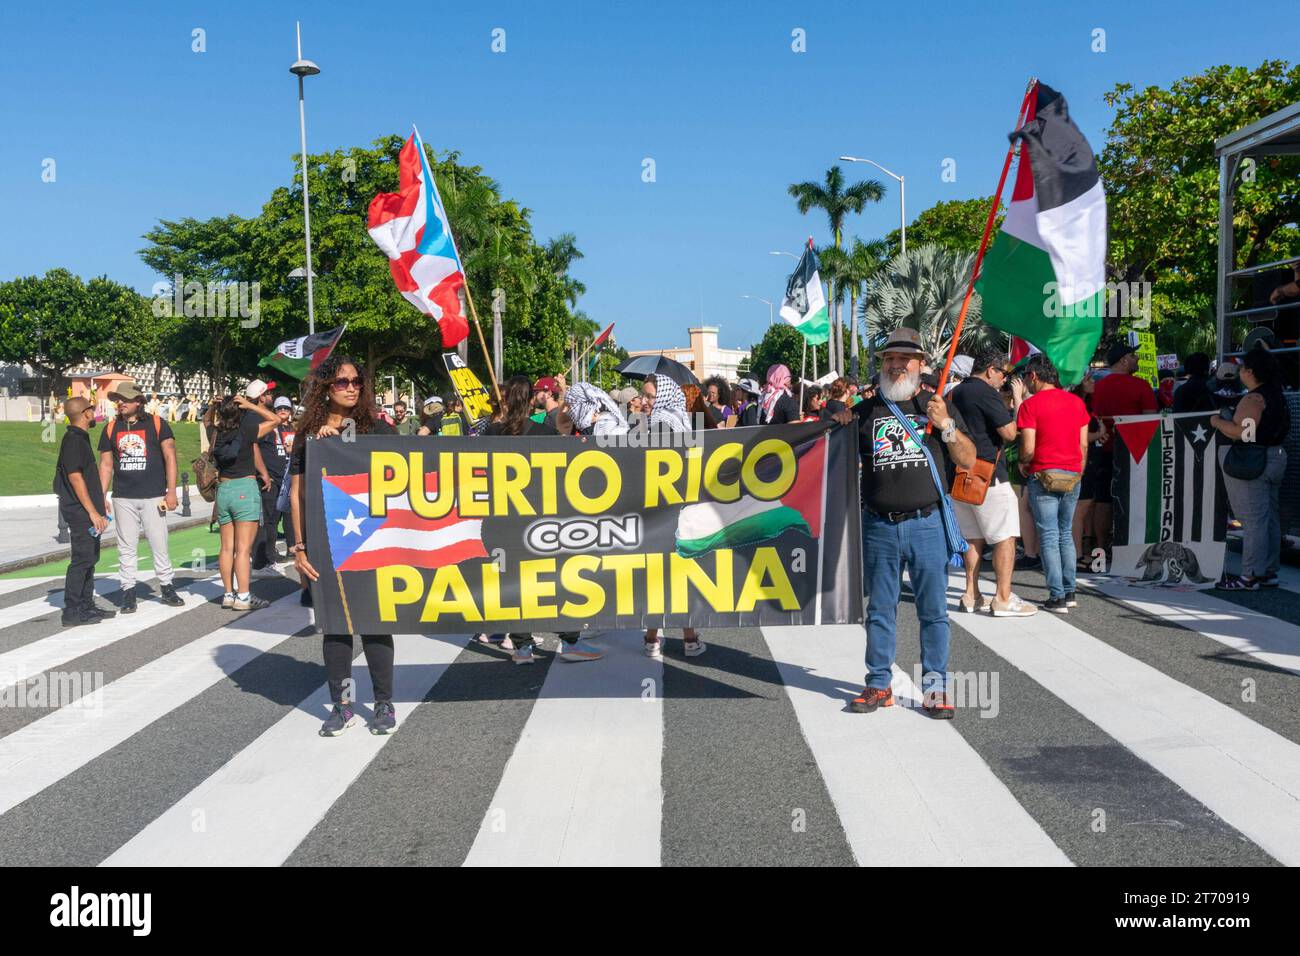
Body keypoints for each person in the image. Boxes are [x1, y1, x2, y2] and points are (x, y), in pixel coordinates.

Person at [834, 328, 976, 717]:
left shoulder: (936, 406)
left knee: (933, 612)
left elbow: (967, 459)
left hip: (927, 524)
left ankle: (936, 688)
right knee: (880, 609)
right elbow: (829, 452)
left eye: (903, 360)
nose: (895, 366)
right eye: (888, 360)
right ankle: (879, 684)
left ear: (920, 364)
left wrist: (946, 426)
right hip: (879, 526)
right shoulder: (864, 413)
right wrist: (837, 418)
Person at [289, 355, 401, 735]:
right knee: (336, 628)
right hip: (326, 544)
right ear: (325, 387)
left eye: (356, 380)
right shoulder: (310, 437)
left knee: (374, 624)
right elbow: (297, 493)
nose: (351, 387)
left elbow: (403, 474)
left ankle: (384, 702)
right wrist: (299, 547)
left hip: (372, 541)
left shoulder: (379, 431)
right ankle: (341, 705)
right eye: (341, 382)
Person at [484, 375, 602, 664]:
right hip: (539, 523)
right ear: (530, 400)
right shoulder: (543, 432)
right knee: (553, 582)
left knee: (513, 585)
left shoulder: (490, 433)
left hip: (501, 523)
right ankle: (570, 640)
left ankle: (522, 647)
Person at [950, 348, 1035, 617]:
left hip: (961, 473)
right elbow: (1010, 434)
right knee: (1004, 538)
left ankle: (971, 594)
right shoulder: (985, 392)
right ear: (991, 371)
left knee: (972, 540)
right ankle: (1002, 598)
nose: (1004, 380)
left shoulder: (955, 391)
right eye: (1003, 373)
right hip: (989, 476)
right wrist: (1019, 401)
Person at [97, 382, 184, 613]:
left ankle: (166, 586)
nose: (120, 403)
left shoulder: (157, 424)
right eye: (118, 399)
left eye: (125, 399)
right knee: (126, 546)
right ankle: (128, 592)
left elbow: (170, 457)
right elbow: (105, 465)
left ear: (139, 401)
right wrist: (101, 496)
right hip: (123, 496)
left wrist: (172, 490)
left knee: (159, 543)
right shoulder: (110, 428)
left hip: (153, 495)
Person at [1211, 347, 1291, 590]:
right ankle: (1268, 572)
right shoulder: (1276, 395)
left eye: (1243, 367)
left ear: (1250, 371)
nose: (1240, 371)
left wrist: (1217, 421)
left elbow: (1244, 433)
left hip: (1254, 461)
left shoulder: (1253, 398)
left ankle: (1249, 576)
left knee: (1253, 520)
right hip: (1275, 457)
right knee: (1269, 519)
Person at [1016, 354, 1091, 613]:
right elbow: (1083, 445)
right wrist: (1078, 470)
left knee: (1047, 535)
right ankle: (1070, 591)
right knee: (1065, 533)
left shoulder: (1030, 405)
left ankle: (1057, 595)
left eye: (1026, 377)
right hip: (1072, 474)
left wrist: (1023, 463)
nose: (1025, 382)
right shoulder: (1076, 402)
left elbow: (1027, 448)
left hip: (1043, 473)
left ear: (1034, 376)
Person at [643, 373, 707, 659]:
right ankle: (688, 638)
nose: (644, 401)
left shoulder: (660, 424)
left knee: (659, 576)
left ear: (664, 396)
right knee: (679, 577)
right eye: (644, 395)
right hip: (679, 512)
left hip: (661, 512)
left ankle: (652, 638)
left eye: (649, 396)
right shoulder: (676, 420)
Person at [211, 393, 279, 611]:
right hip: (244, 488)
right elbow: (276, 420)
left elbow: (206, 421)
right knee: (243, 549)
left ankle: (228, 594)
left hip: (224, 489)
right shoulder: (247, 431)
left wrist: (215, 407)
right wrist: (251, 404)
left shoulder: (216, 433)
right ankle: (243, 596)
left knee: (226, 547)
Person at [1089, 342, 1157, 556]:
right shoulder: (1141, 386)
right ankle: (1130, 547)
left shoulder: (1096, 387)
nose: (1137, 359)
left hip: (1101, 449)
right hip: (1133, 451)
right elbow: (1150, 420)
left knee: (1102, 499)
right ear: (1124, 360)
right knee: (1134, 498)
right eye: (1133, 356)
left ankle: (1100, 546)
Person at [55, 398, 115, 627]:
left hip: (87, 509)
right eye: (94, 409)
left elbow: (85, 477)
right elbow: (75, 477)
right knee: (82, 559)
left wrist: (100, 501)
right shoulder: (73, 440)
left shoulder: (80, 437)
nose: (97, 413)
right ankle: (72, 611)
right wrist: (92, 511)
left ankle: (86, 605)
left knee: (91, 557)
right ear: (86, 413)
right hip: (80, 512)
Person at [252, 395, 297, 568]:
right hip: (272, 478)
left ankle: (292, 548)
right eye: (280, 409)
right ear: (274, 411)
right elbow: (255, 447)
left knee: (290, 515)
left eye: (286, 408)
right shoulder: (269, 428)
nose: (283, 411)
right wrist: (263, 473)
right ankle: (269, 553)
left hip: (289, 477)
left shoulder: (294, 428)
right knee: (271, 517)